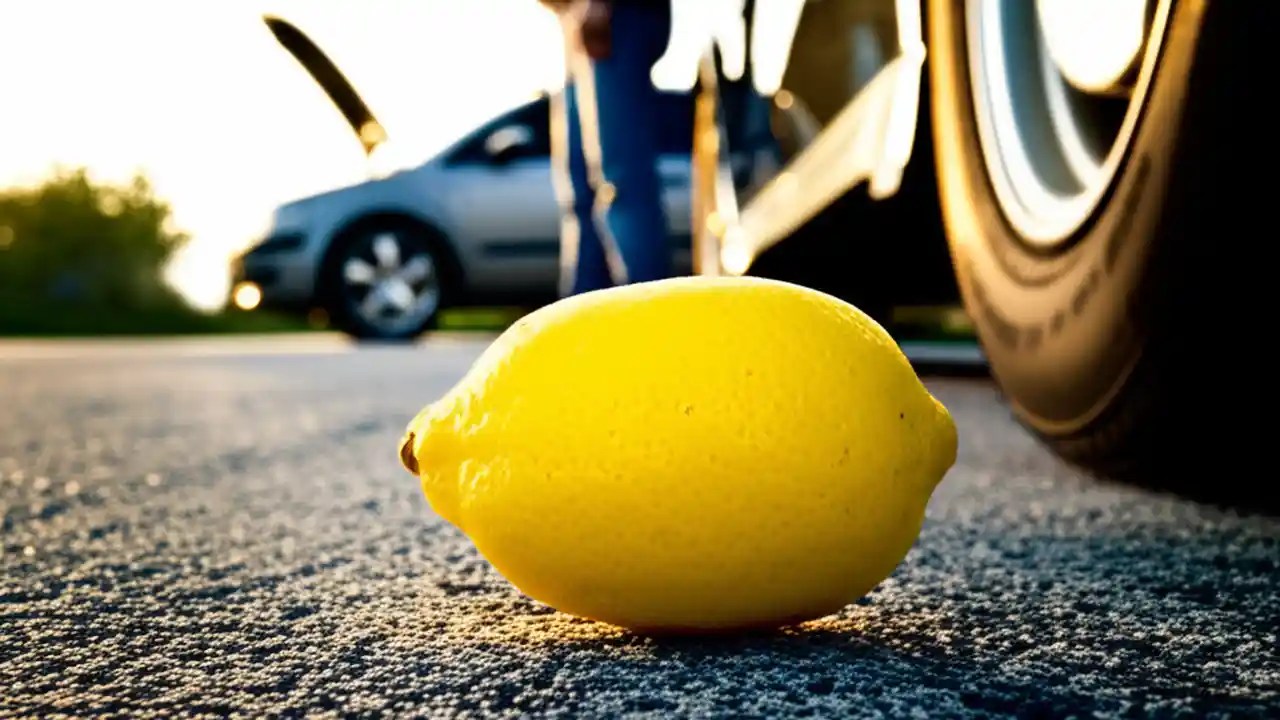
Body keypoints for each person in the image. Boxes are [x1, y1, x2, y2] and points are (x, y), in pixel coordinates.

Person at [538, 0, 676, 297]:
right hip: (574, 21)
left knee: (621, 185)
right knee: (581, 197)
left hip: (612, 17)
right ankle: (582, 317)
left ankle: (649, 313)